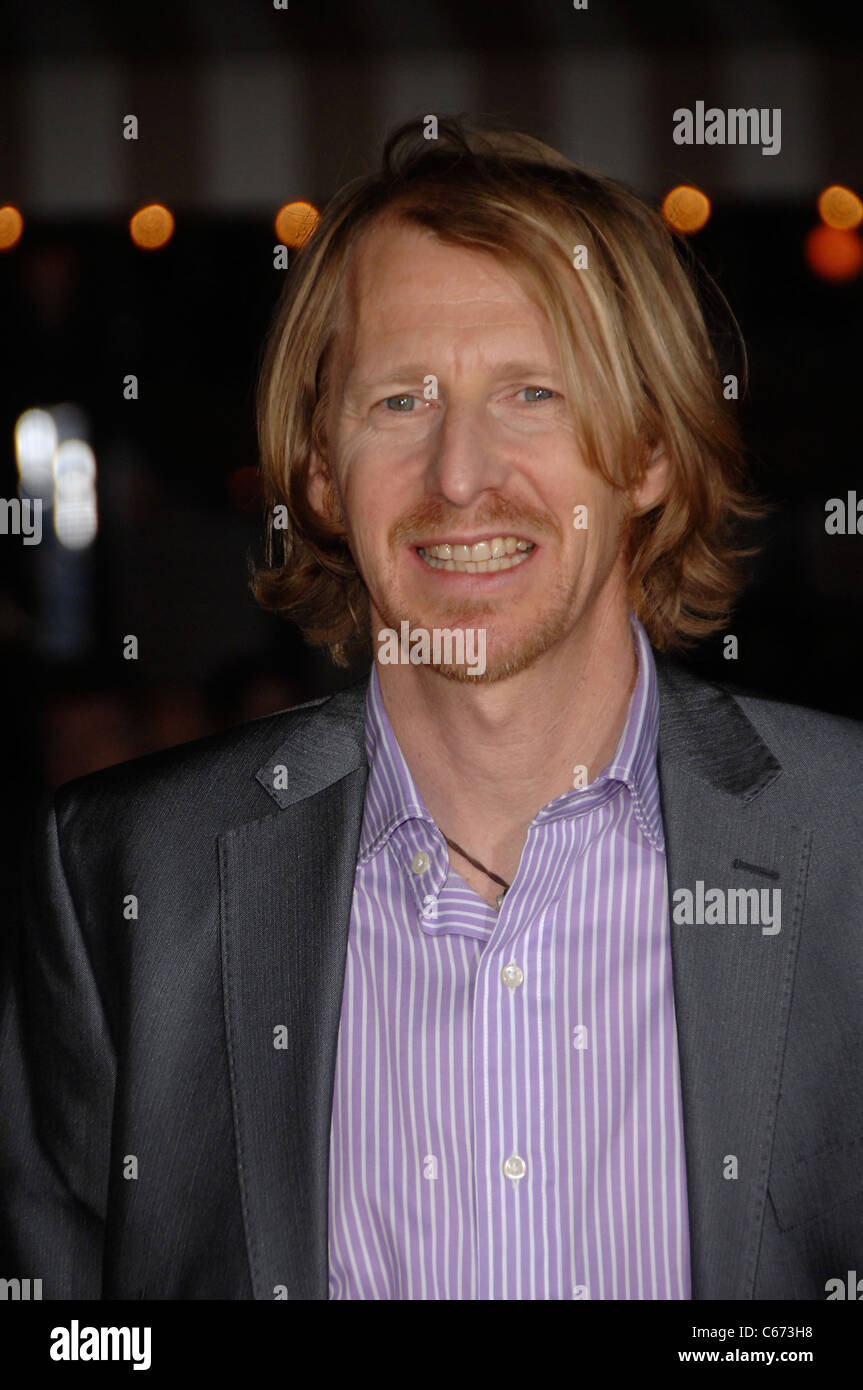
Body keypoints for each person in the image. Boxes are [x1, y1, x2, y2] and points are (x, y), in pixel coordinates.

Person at [2, 117, 861, 1302]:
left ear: (651, 450)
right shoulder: (117, 882)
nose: (461, 474)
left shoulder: (848, 846)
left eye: (532, 392)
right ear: (315, 468)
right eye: (398, 401)